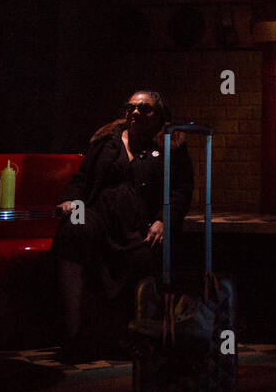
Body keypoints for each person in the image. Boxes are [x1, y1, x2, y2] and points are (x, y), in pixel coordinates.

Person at [53, 91, 194, 363]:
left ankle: (132, 336)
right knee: (73, 230)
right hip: (100, 217)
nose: (135, 112)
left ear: (160, 116)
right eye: (131, 107)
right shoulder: (107, 142)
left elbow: (181, 190)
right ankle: (73, 334)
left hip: (140, 224)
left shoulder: (169, 147)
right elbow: (83, 179)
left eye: (144, 108)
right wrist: (71, 200)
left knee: (145, 255)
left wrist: (164, 220)